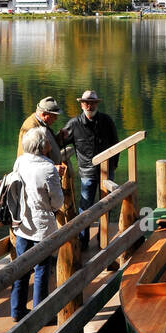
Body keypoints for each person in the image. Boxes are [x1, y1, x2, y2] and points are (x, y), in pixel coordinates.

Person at [9, 126, 64, 323]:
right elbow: (57, 202)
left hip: (22, 222)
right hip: (42, 226)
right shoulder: (48, 168)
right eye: (47, 141)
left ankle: (17, 310)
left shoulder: (20, 162)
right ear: (42, 146)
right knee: (42, 268)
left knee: (21, 267)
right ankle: (41, 314)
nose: (50, 143)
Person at [58, 90, 119, 251]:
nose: (89, 106)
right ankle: (83, 242)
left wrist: (114, 164)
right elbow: (59, 142)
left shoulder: (106, 120)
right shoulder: (74, 124)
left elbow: (115, 142)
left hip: (107, 170)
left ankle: (102, 239)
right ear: (81, 104)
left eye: (92, 103)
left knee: (107, 205)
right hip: (87, 172)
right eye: (86, 103)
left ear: (97, 104)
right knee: (85, 207)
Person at [17, 96, 75, 223]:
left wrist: (59, 138)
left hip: (42, 180)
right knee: (38, 219)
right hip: (36, 182)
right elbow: (29, 158)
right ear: (44, 114)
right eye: (54, 116)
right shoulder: (31, 128)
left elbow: (47, 147)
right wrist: (52, 168)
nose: (56, 119)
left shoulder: (41, 123)